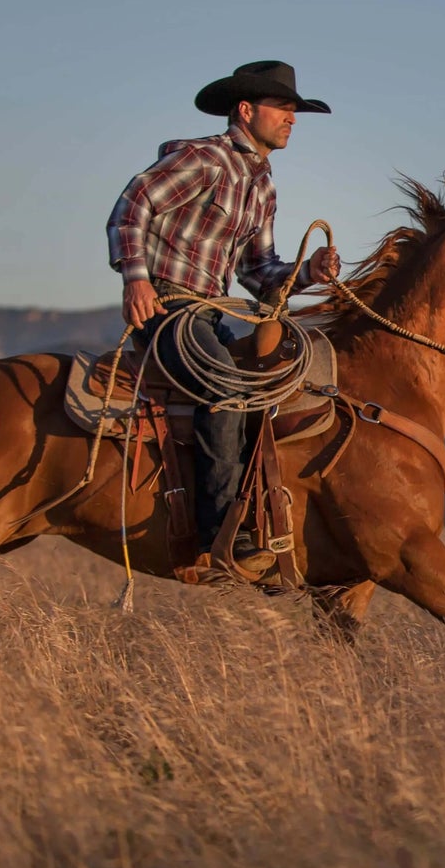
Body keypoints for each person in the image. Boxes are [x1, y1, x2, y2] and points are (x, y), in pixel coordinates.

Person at [106, 60, 341, 571]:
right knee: (230, 387)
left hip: (209, 314)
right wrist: (136, 277)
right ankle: (219, 535)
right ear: (246, 109)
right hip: (168, 304)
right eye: (282, 108)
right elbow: (133, 204)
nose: (292, 119)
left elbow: (259, 271)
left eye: (294, 111)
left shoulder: (262, 185)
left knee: (271, 384)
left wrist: (308, 273)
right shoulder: (205, 159)